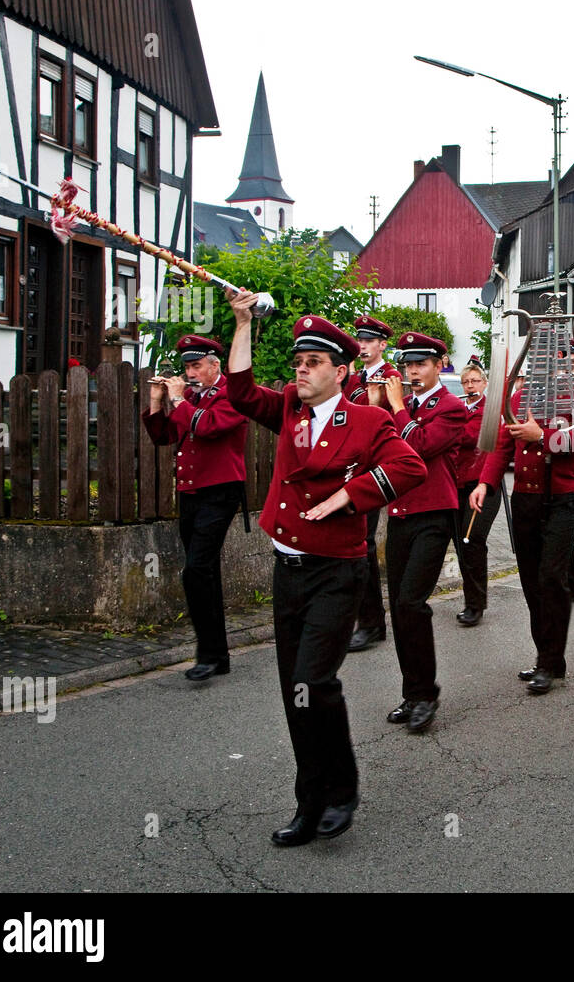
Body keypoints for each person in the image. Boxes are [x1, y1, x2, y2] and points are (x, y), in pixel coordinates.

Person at [224, 294, 426, 846]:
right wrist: (243, 322)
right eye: (298, 363)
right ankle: (308, 801)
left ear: (341, 371)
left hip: (338, 571)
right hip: (288, 568)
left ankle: (341, 791)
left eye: (313, 363)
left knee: (315, 680)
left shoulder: (366, 418)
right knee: (296, 691)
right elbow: (239, 391)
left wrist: (350, 497)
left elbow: (409, 464)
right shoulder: (288, 406)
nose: (302, 371)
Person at [470, 371, 574, 694]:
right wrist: (485, 482)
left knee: (552, 576)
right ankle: (547, 656)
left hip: (563, 498)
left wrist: (543, 436)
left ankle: (550, 661)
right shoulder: (517, 398)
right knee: (531, 580)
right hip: (526, 498)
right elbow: (501, 445)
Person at [142, 335, 249, 682]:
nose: (190, 373)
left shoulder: (232, 393)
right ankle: (218, 655)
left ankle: (209, 654)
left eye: (196, 365)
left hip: (221, 490)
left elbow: (207, 427)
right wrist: (158, 402)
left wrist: (177, 398)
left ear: (215, 364)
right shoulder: (189, 397)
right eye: (187, 367)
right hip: (191, 491)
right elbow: (164, 436)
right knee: (204, 571)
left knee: (196, 569)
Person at [375, 331, 467, 733]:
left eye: (422, 364)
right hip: (400, 512)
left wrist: (394, 408)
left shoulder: (451, 407)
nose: (412, 371)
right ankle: (411, 693)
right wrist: (380, 409)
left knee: (412, 601)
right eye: (408, 364)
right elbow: (378, 447)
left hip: (434, 513)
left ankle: (426, 694)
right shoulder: (404, 407)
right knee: (398, 606)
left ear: (439, 366)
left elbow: (418, 445)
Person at [345, 315, 402, 652]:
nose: (362, 346)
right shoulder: (352, 380)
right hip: (349, 469)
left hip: (374, 472)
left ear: (382, 345)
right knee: (351, 546)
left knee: (363, 546)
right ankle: (361, 617)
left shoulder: (392, 378)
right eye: (359, 340)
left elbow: (394, 425)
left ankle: (371, 623)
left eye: (368, 341)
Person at [453, 357, 497, 627]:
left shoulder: (488, 410)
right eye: (466, 382)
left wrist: (448, 424)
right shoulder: (458, 408)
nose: (470, 386)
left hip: (483, 484)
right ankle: (472, 600)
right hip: (457, 484)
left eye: (475, 381)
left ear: (485, 383)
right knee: (461, 544)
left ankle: (476, 604)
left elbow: (469, 437)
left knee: (472, 540)